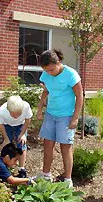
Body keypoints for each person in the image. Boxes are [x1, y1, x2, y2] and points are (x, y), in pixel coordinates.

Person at [36, 49, 83, 188]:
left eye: (51, 70)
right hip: (51, 113)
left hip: (66, 115)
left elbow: (80, 96)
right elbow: (46, 91)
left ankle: (68, 180)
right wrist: (40, 108)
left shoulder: (71, 75)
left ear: (58, 62)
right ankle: (46, 175)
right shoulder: (46, 74)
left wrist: (75, 118)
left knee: (65, 147)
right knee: (47, 146)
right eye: (46, 71)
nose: (49, 73)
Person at [0, 95, 33, 178]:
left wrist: (23, 134)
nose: (16, 117)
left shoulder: (26, 106)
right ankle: (4, 168)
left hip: (21, 125)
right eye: (13, 114)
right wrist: (6, 139)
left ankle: (21, 169)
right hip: (6, 125)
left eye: (18, 114)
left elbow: (27, 120)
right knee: (7, 146)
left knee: (22, 144)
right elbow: (0, 125)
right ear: (8, 110)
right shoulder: (2, 111)